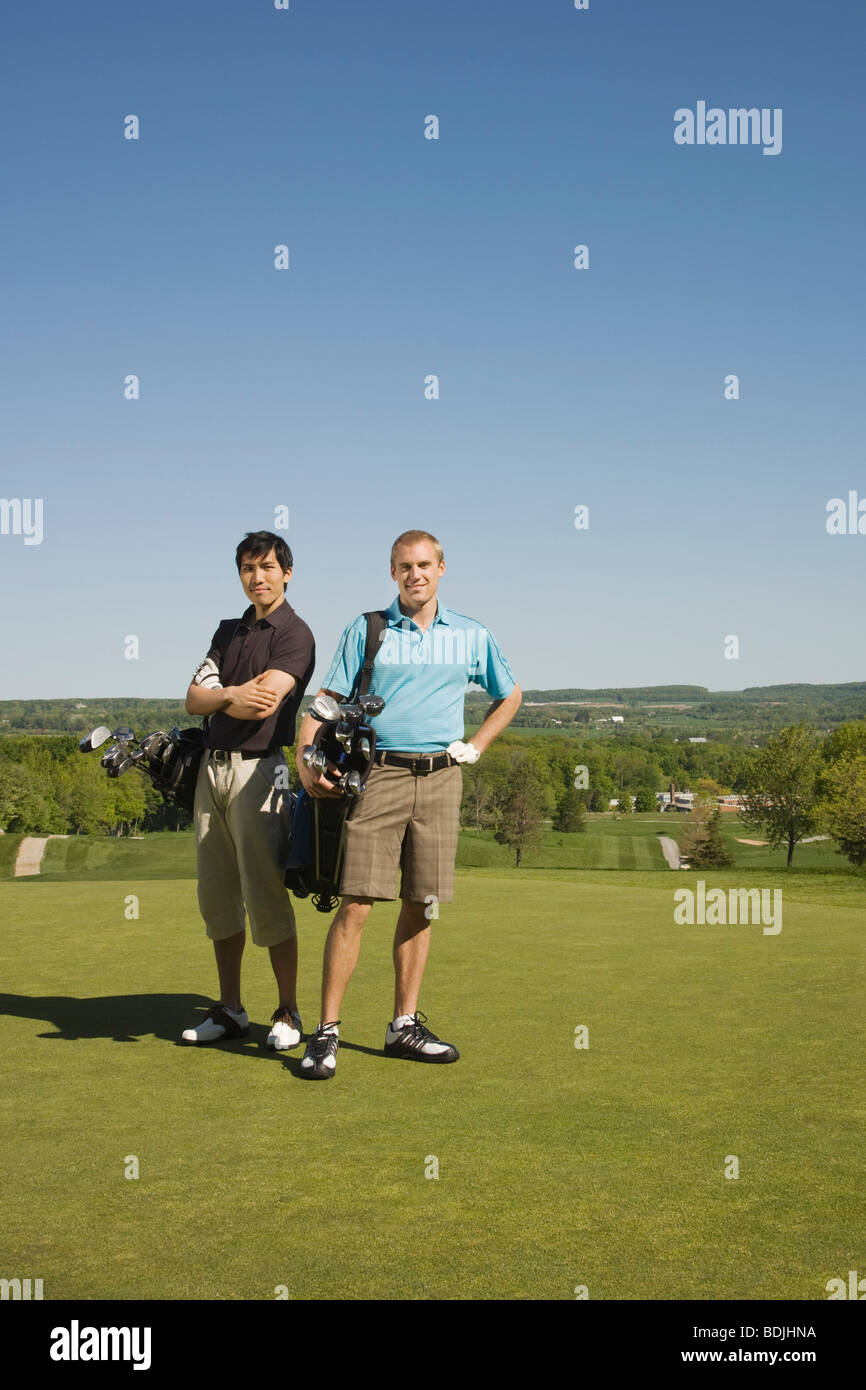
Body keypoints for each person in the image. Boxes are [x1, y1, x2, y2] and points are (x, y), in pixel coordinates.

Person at [295, 529, 521, 1080]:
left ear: (442, 568)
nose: (414, 574)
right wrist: (304, 755)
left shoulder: (470, 634)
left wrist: (477, 745)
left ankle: (404, 1025)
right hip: (378, 773)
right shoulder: (369, 629)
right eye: (404, 566)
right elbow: (326, 700)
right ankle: (326, 1034)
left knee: (421, 902)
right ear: (392, 572)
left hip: (442, 777)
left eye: (424, 564)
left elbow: (509, 693)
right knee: (356, 904)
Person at [181, 531, 315, 1049]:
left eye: (266, 567)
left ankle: (287, 1011)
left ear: (286, 572)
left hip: (261, 770)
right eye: (246, 569)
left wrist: (223, 696)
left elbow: (266, 705)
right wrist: (231, 693)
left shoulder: (295, 633)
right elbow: (194, 699)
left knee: (265, 893)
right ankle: (231, 1009)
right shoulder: (228, 629)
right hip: (209, 771)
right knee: (216, 894)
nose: (256, 577)